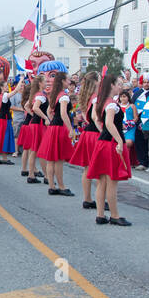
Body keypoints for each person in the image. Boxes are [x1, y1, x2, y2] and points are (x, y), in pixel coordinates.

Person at [86, 73, 132, 226]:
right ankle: (114, 215)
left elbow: (96, 118)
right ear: (111, 85)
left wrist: (103, 131)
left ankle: (100, 215)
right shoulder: (111, 103)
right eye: (119, 84)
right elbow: (109, 123)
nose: (121, 87)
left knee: (102, 181)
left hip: (103, 142)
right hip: (111, 144)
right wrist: (119, 140)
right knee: (111, 181)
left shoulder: (102, 101)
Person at [36, 67, 76, 197]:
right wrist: (70, 129)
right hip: (59, 128)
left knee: (51, 159)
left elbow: (48, 111)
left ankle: (52, 186)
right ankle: (61, 186)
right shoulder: (63, 96)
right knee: (58, 159)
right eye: (68, 79)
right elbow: (64, 114)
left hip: (53, 127)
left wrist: (51, 120)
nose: (69, 81)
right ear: (63, 81)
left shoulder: (55, 94)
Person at [69, 71, 101, 209]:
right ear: (95, 82)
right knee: (99, 169)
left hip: (88, 132)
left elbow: (84, 115)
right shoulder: (95, 98)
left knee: (87, 168)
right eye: (100, 79)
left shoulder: (86, 96)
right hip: (95, 133)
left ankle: (87, 199)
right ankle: (100, 200)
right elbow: (94, 117)